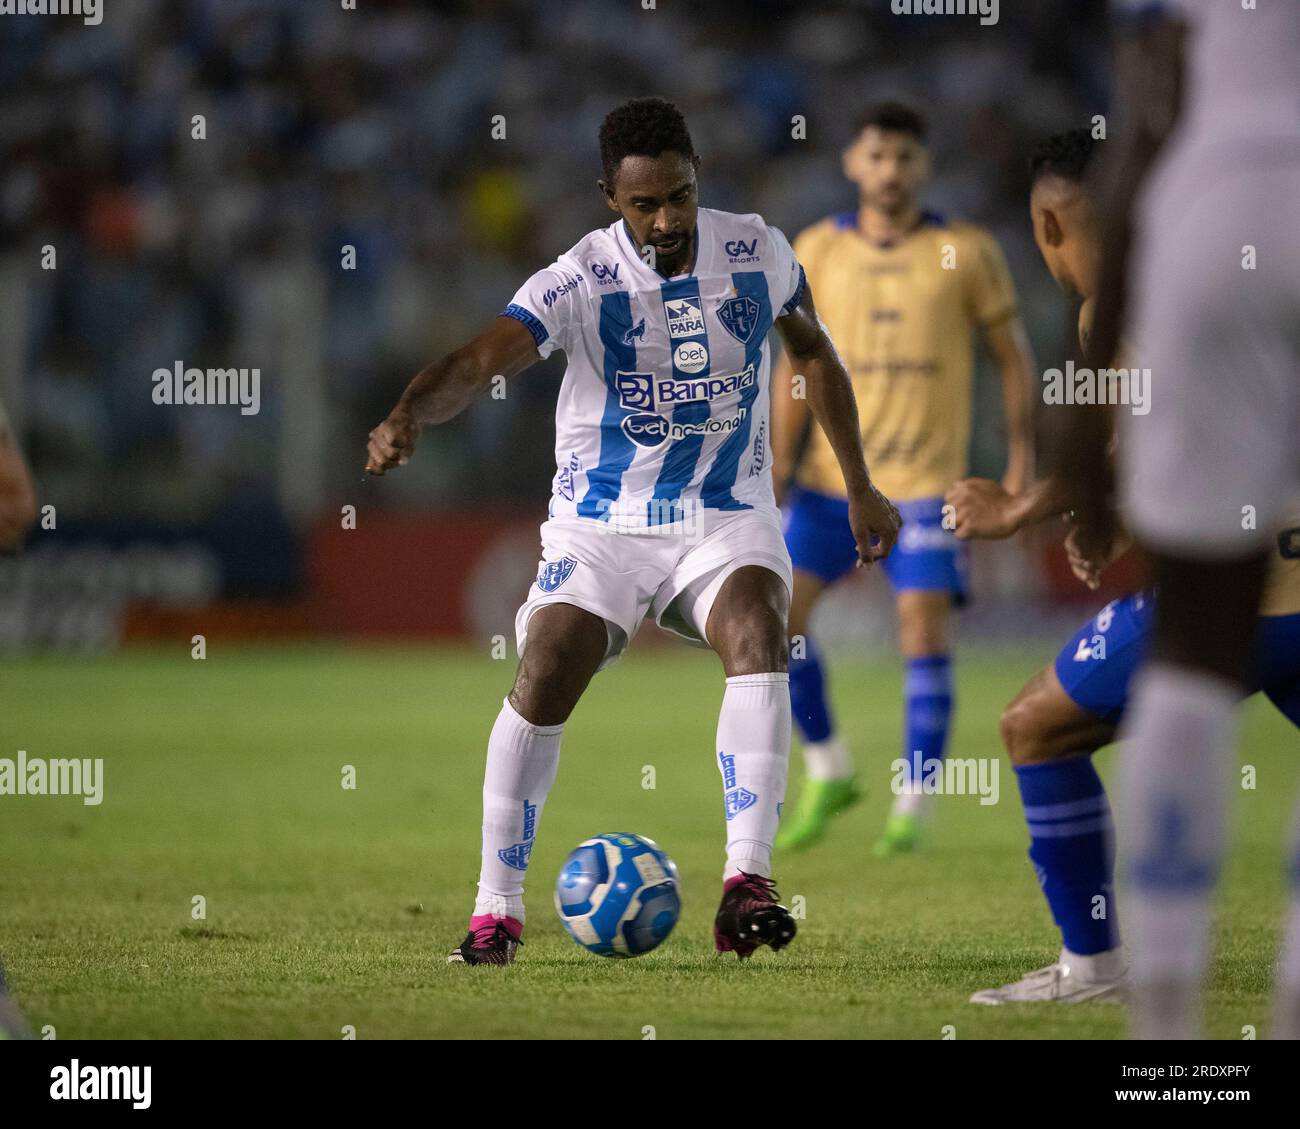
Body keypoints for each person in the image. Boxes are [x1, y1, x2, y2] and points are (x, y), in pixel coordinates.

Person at [365, 97, 901, 966]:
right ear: (610, 197)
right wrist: (408, 414)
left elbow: (813, 353)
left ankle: (747, 883)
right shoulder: (577, 282)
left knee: (763, 626)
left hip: (724, 514)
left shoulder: (757, 249)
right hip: (602, 525)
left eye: (680, 197)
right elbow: (477, 361)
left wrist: (860, 483)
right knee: (544, 670)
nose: (666, 220)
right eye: (644, 204)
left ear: (698, 180)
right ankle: (493, 912)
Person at [947, 129, 1300, 1006]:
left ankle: (1094, 967)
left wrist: (1017, 508)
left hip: (1245, 599)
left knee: (1035, 725)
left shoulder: (1132, 300)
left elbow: (1112, 450)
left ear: (1049, 227)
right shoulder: (1224, 268)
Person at [1062, 1, 1300, 1038]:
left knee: (1195, 645)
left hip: (1224, 199)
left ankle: (1164, 1029)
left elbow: (1149, 113)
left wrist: (1085, 392)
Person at [772, 102, 1034, 856]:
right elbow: (796, 367)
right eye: (877, 155)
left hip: (925, 482)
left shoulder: (966, 249)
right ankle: (829, 768)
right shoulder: (815, 248)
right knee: (777, 623)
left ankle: (914, 799)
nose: (891, 171)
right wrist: (781, 463)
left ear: (925, 166)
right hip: (830, 481)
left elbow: (1013, 356)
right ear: (854, 164)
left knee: (921, 627)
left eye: (905, 157)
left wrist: (1020, 467)